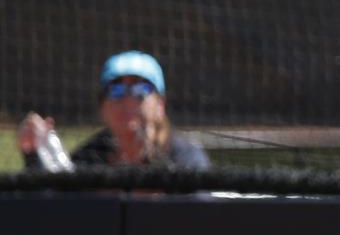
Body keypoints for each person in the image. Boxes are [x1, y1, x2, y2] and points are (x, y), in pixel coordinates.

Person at [15, 51, 210, 171]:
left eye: (140, 91)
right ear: (102, 107)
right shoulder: (88, 158)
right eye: (116, 90)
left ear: (160, 105)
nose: (127, 99)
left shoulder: (185, 158)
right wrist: (34, 153)